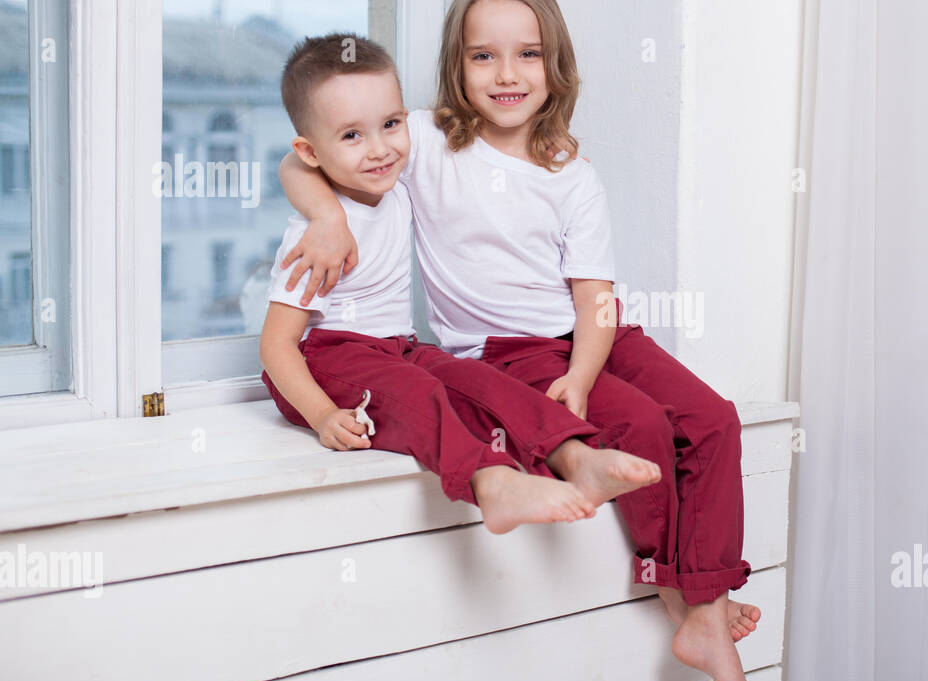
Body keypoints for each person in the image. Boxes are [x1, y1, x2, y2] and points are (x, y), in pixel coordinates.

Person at [277, 0, 761, 681]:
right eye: (483, 57)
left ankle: (705, 596)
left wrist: (585, 369)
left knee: (714, 417)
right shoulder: (424, 139)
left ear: (555, 64)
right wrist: (325, 218)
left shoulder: (573, 172)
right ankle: (684, 597)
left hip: (588, 333)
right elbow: (309, 154)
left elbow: (596, 298)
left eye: (528, 54)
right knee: (639, 425)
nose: (507, 75)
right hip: (506, 348)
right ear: (455, 67)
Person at [259, 32, 660, 536]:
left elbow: (302, 164)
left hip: (397, 349)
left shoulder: (395, 187)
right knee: (423, 395)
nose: (381, 149)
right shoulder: (318, 234)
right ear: (311, 151)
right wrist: (320, 415)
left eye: (390, 124)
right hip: (329, 359)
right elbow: (276, 345)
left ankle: (573, 455)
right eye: (352, 136)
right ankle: (492, 484)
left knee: (485, 384)